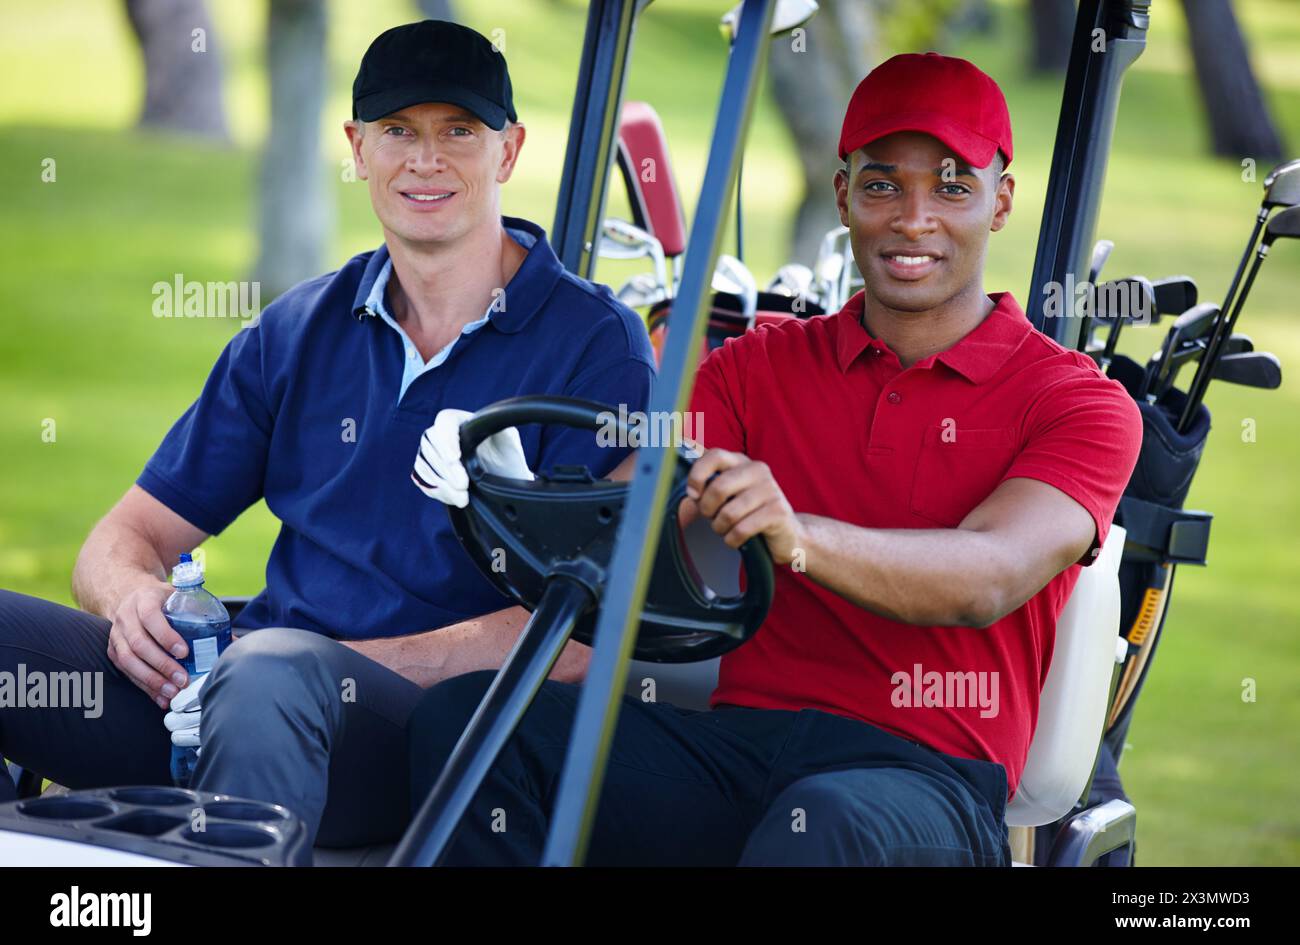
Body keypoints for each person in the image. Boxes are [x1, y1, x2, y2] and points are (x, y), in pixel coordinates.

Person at [405, 53, 1144, 865]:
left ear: (1000, 202)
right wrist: (506, 484)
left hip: (926, 782)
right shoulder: (753, 368)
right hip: (739, 752)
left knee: (828, 820)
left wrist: (796, 536)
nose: (914, 218)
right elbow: (623, 524)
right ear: (843, 196)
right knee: (472, 729)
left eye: (952, 187)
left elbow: (988, 575)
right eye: (883, 184)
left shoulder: (1078, 402)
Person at [0, 20, 655, 847]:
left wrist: (308, 670)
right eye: (396, 132)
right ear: (356, 147)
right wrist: (138, 607)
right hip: (221, 702)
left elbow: (585, 636)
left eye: (459, 131)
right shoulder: (298, 330)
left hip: (422, 744)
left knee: (273, 677)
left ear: (510, 151)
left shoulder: (596, 347)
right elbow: (124, 536)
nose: (425, 160)